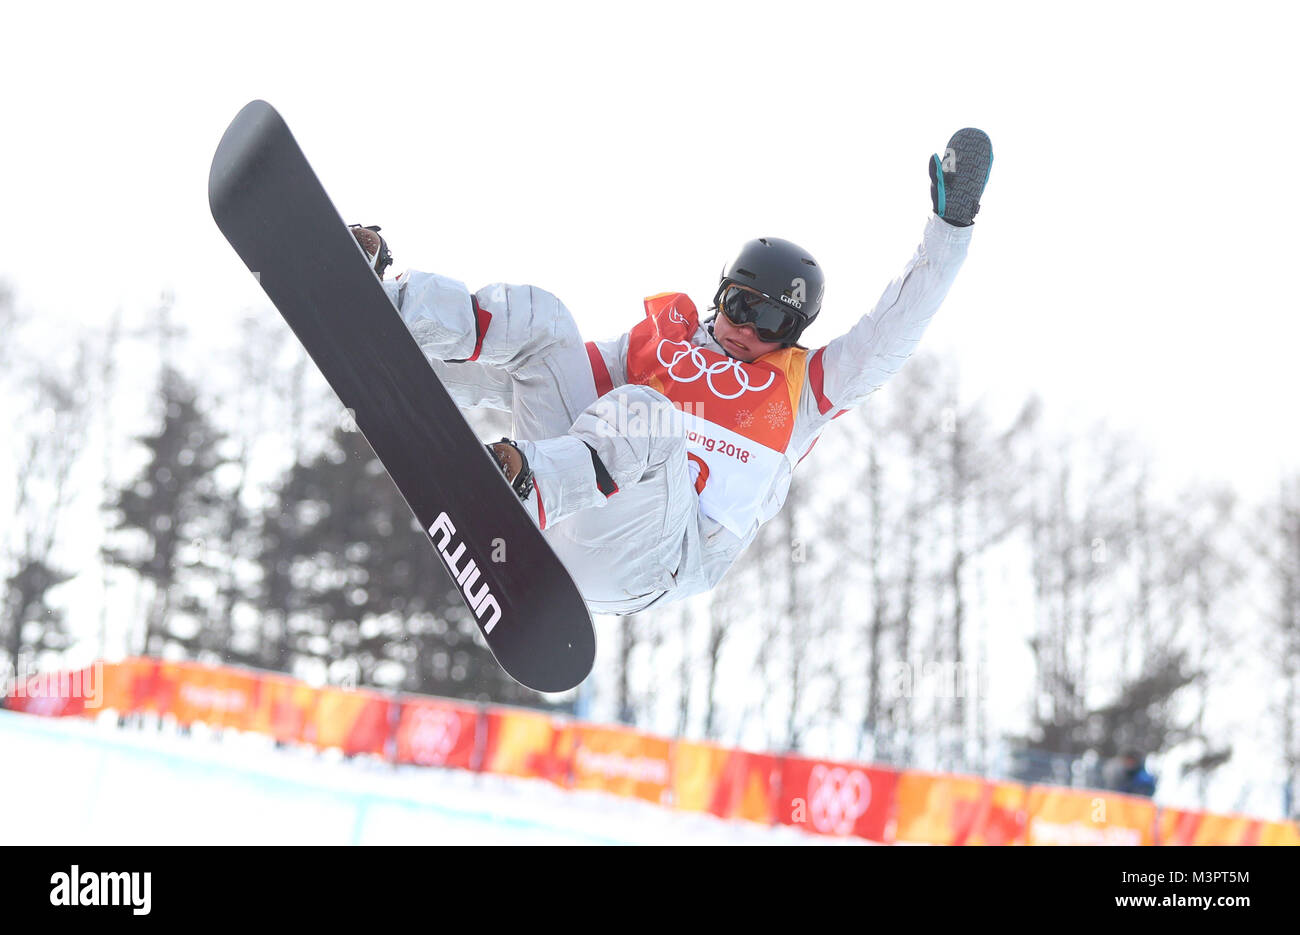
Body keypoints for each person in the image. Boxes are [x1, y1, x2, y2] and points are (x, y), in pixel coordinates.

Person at [354, 129, 992, 616]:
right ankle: (385, 305)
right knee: (546, 322)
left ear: (794, 336)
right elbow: (519, 377)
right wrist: (403, 375)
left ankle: (523, 490)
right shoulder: (660, 345)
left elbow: (892, 332)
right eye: (741, 306)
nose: (748, 332)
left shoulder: (805, 393)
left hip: (650, 558)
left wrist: (949, 229)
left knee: (646, 414)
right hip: (573, 503)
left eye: (773, 325)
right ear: (720, 294)